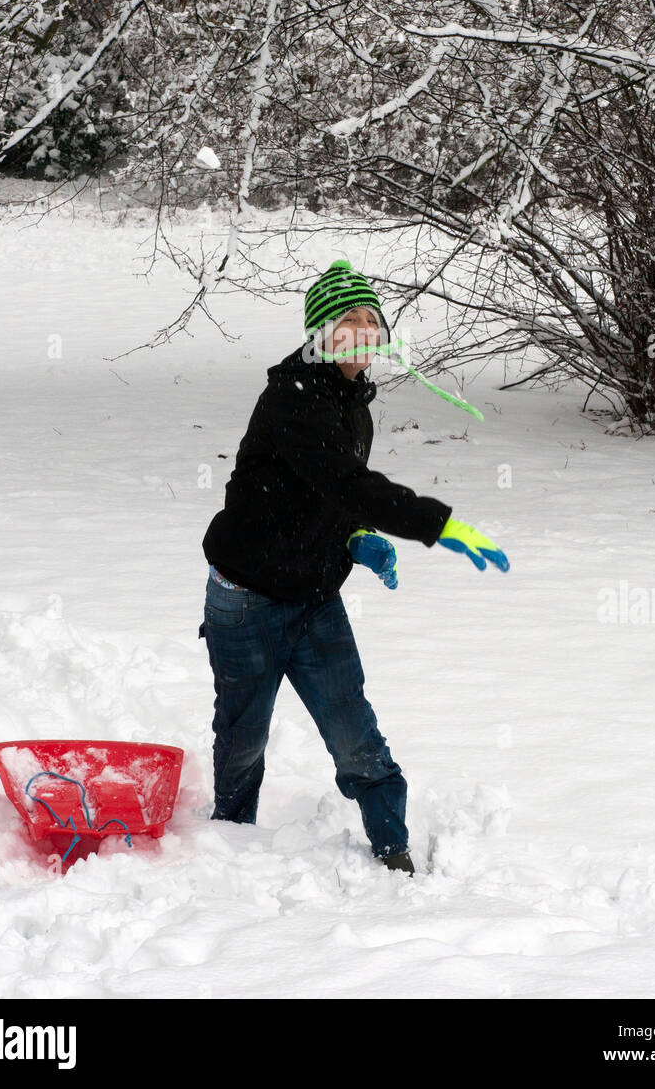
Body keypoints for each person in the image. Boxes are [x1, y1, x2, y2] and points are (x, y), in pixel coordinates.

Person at [199, 259, 509, 876]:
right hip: (246, 600)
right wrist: (435, 524)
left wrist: (357, 537)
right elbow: (349, 481)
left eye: (371, 320)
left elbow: (328, 494)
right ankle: (229, 851)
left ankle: (393, 847)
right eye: (347, 322)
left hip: (313, 599)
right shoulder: (293, 400)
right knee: (243, 741)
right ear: (320, 333)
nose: (362, 332)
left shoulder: (351, 402)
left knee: (355, 732)